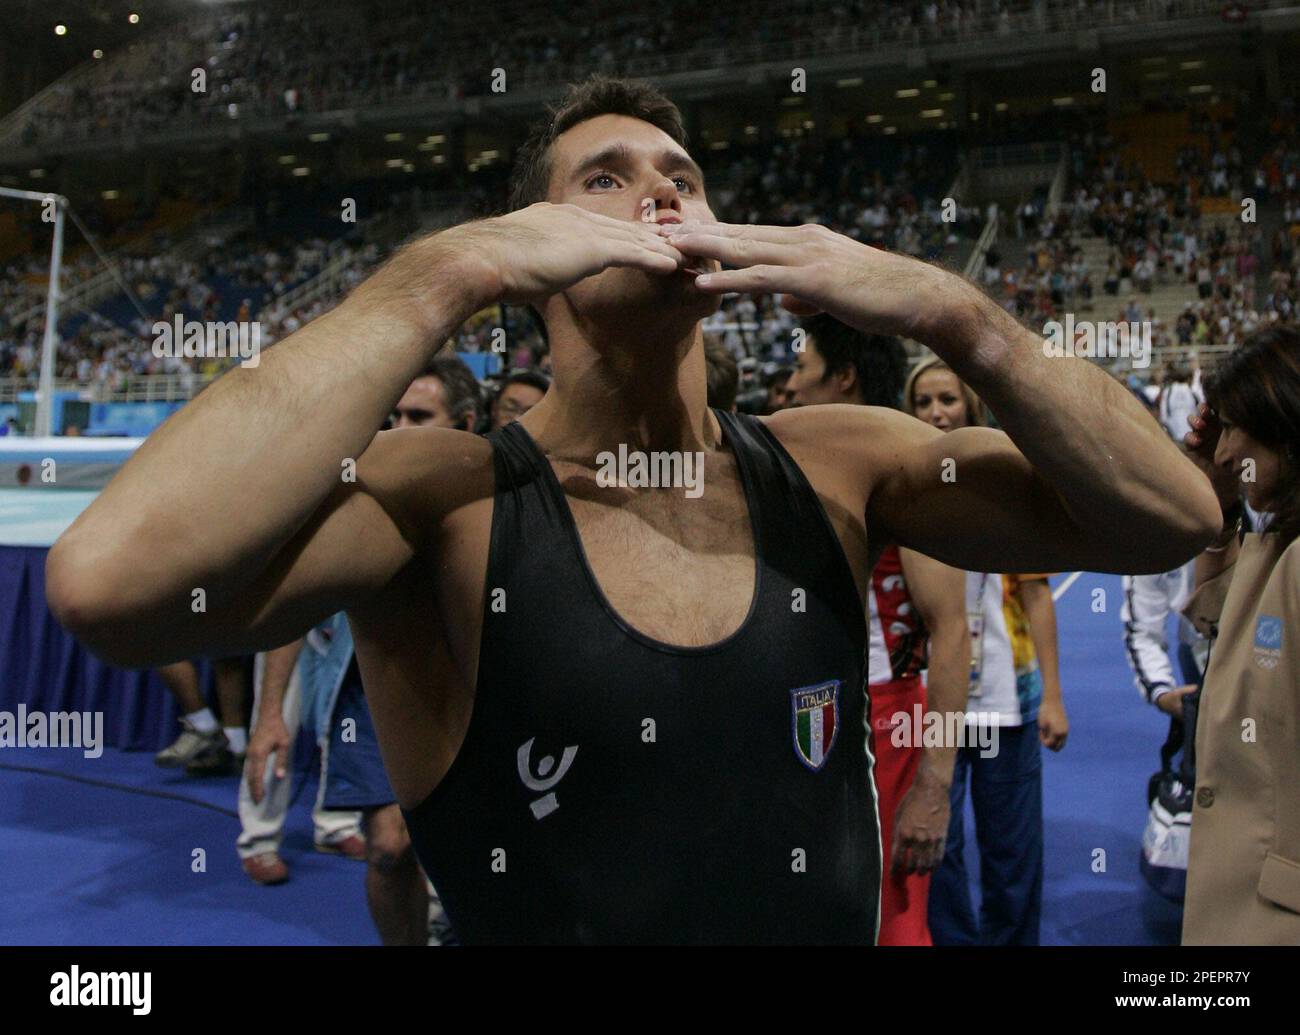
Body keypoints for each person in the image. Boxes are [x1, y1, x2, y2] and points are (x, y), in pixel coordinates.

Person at [47, 75, 1220, 945]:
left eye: (681, 175)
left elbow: (1170, 518)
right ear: (534, 248)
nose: (660, 189)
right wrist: (439, 274)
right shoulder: (441, 497)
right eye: (604, 177)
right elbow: (113, 586)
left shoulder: (840, 462)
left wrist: (955, 313)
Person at [787, 316, 968, 946]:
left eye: (800, 371)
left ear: (843, 378)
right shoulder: (797, 465)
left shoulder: (908, 464)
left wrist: (935, 786)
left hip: (887, 718)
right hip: (818, 716)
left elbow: (952, 633)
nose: (788, 388)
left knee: (891, 922)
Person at [905, 357, 1070, 946]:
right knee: (934, 854)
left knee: (1012, 851)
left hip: (1007, 701)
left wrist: (1052, 695)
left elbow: (1037, 592)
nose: (935, 412)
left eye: (946, 398)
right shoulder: (902, 488)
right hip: (931, 706)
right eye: (922, 402)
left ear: (970, 406)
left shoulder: (1008, 482)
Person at [1180, 325, 1300, 945]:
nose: (1222, 453)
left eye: (1233, 429)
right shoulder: (1281, 544)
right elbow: (1219, 624)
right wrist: (1219, 503)